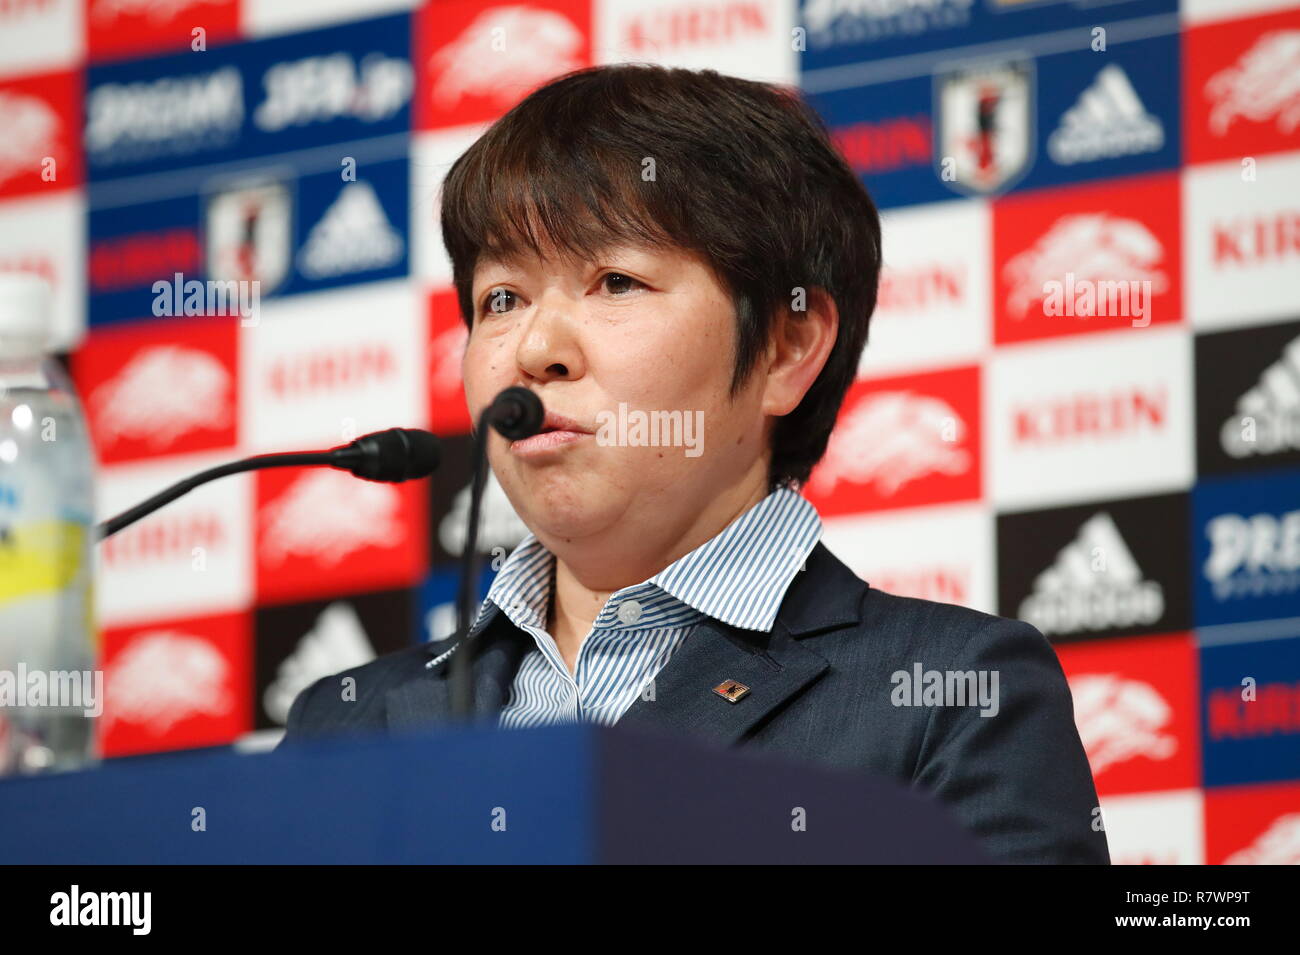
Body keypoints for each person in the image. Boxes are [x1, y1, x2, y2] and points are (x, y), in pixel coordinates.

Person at [281, 63, 1108, 865]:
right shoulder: (342, 725)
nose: (534, 349)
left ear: (787, 346)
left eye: (614, 281)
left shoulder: (951, 697)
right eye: (502, 298)